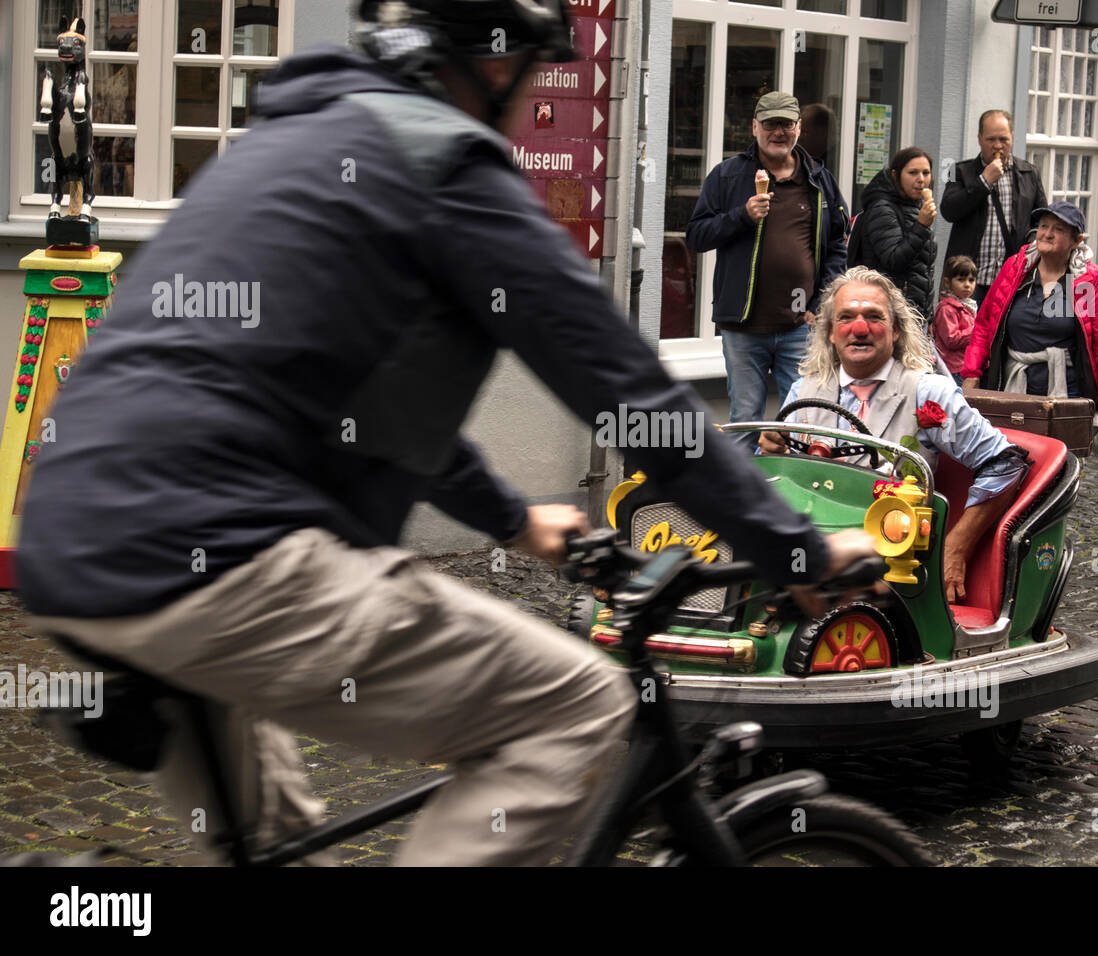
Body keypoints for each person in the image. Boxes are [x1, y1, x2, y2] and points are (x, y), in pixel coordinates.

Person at [16, 0, 878, 867]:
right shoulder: (449, 168)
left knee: (273, 844)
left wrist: (513, 517)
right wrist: (789, 547)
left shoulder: (301, 136)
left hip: (75, 526)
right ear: (492, 66)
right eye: (531, 74)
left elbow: (366, 403)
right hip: (220, 541)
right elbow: (626, 390)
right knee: (576, 707)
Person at [759, 268, 1028, 604]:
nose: (860, 329)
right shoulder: (804, 391)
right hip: (810, 551)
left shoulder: (928, 392)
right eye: (846, 317)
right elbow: (777, 483)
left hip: (891, 558)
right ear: (829, 332)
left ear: (896, 330)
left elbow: (1005, 463)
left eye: (874, 317)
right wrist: (771, 451)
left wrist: (956, 548)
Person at [686, 91, 850, 452]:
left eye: (786, 124)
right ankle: (740, 504)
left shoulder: (819, 179)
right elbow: (696, 236)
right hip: (744, 328)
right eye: (771, 124)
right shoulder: (728, 176)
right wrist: (741, 217)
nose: (779, 132)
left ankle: (795, 501)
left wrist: (822, 302)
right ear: (755, 127)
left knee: (804, 422)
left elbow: (838, 242)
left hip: (799, 326)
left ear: (798, 128)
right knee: (746, 419)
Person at [960, 201, 1098, 466]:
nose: (1046, 233)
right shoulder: (1016, 268)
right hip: (1011, 389)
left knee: (1058, 467)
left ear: (1076, 240)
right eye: (1043, 226)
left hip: (1065, 395)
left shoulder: (1090, 280)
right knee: (1008, 464)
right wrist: (972, 374)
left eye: (1058, 229)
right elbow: (984, 325)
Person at [940, 109, 1048, 304]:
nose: (998, 146)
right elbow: (948, 210)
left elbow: (1041, 220)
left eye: (1003, 139)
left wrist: (1029, 247)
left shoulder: (1028, 173)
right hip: (970, 282)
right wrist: (983, 182)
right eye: (991, 139)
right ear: (980, 138)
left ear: (1012, 137)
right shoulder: (958, 171)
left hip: (1013, 281)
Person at [846, 146, 937, 319]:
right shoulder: (882, 208)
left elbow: (923, 268)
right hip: (889, 310)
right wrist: (921, 227)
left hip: (915, 312)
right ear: (895, 175)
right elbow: (893, 259)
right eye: (913, 173)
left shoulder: (915, 207)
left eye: (926, 173)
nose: (921, 179)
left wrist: (928, 313)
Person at [932, 255, 979, 381]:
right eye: (961, 280)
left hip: (964, 365)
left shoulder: (968, 306)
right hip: (951, 369)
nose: (967, 285)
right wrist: (975, 330)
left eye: (971, 280)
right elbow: (951, 339)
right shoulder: (947, 309)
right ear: (948, 282)